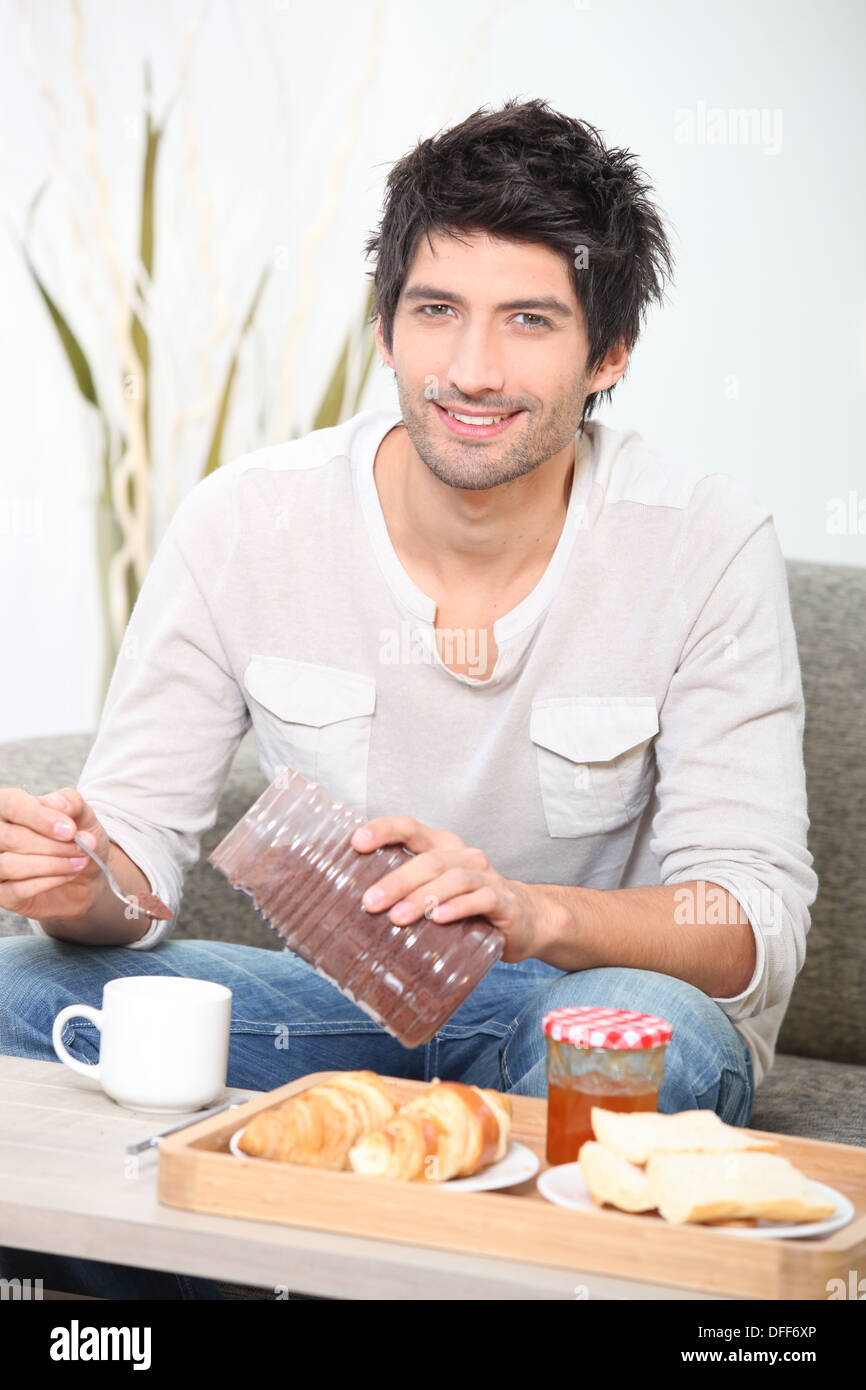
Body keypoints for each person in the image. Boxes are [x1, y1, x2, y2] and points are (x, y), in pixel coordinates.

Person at [0, 97, 816, 1299]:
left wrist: (530, 914)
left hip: (579, 1007)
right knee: (26, 992)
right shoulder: (245, 520)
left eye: (528, 320)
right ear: (385, 327)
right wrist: (84, 885)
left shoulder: (700, 541)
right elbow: (137, 867)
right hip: (345, 1011)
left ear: (608, 353)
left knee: (654, 1036)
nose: (471, 371)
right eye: (435, 311)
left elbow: (748, 920)